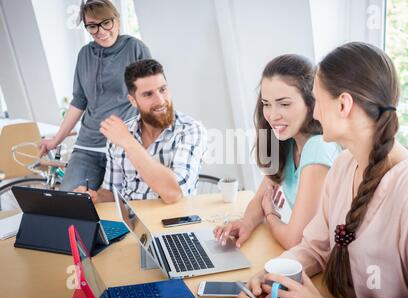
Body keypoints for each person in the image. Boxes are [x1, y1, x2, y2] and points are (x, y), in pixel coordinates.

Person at [240, 42, 408, 298]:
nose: (314, 112)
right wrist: (272, 274)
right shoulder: (342, 167)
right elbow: (314, 248)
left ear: (343, 105)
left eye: (316, 100)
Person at [214, 54, 340, 249]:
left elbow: (295, 239)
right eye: (266, 104)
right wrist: (246, 224)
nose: (272, 115)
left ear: (311, 102)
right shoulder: (287, 143)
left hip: (329, 266)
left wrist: (270, 213)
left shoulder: (318, 147)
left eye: (284, 104)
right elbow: (260, 199)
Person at [39, 0, 151, 191]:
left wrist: (149, 141)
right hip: (87, 146)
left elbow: (150, 95)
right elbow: (79, 101)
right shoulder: (84, 55)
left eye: (105, 23)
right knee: (71, 203)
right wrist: (56, 140)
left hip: (123, 146)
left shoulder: (135, 48)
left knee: (117, 211)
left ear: (116, 20)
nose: (100, 31)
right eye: (92, 26)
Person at [74, 59, 207, 204]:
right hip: (129, 224)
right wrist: (95, 198)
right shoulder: (121, 135)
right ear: (132, 100)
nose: (160, 100)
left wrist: (129, 143)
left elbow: (173, 194)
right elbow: (112, 193)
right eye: (148, 94)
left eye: (163, 89)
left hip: (170, 223)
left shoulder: (190, 130)